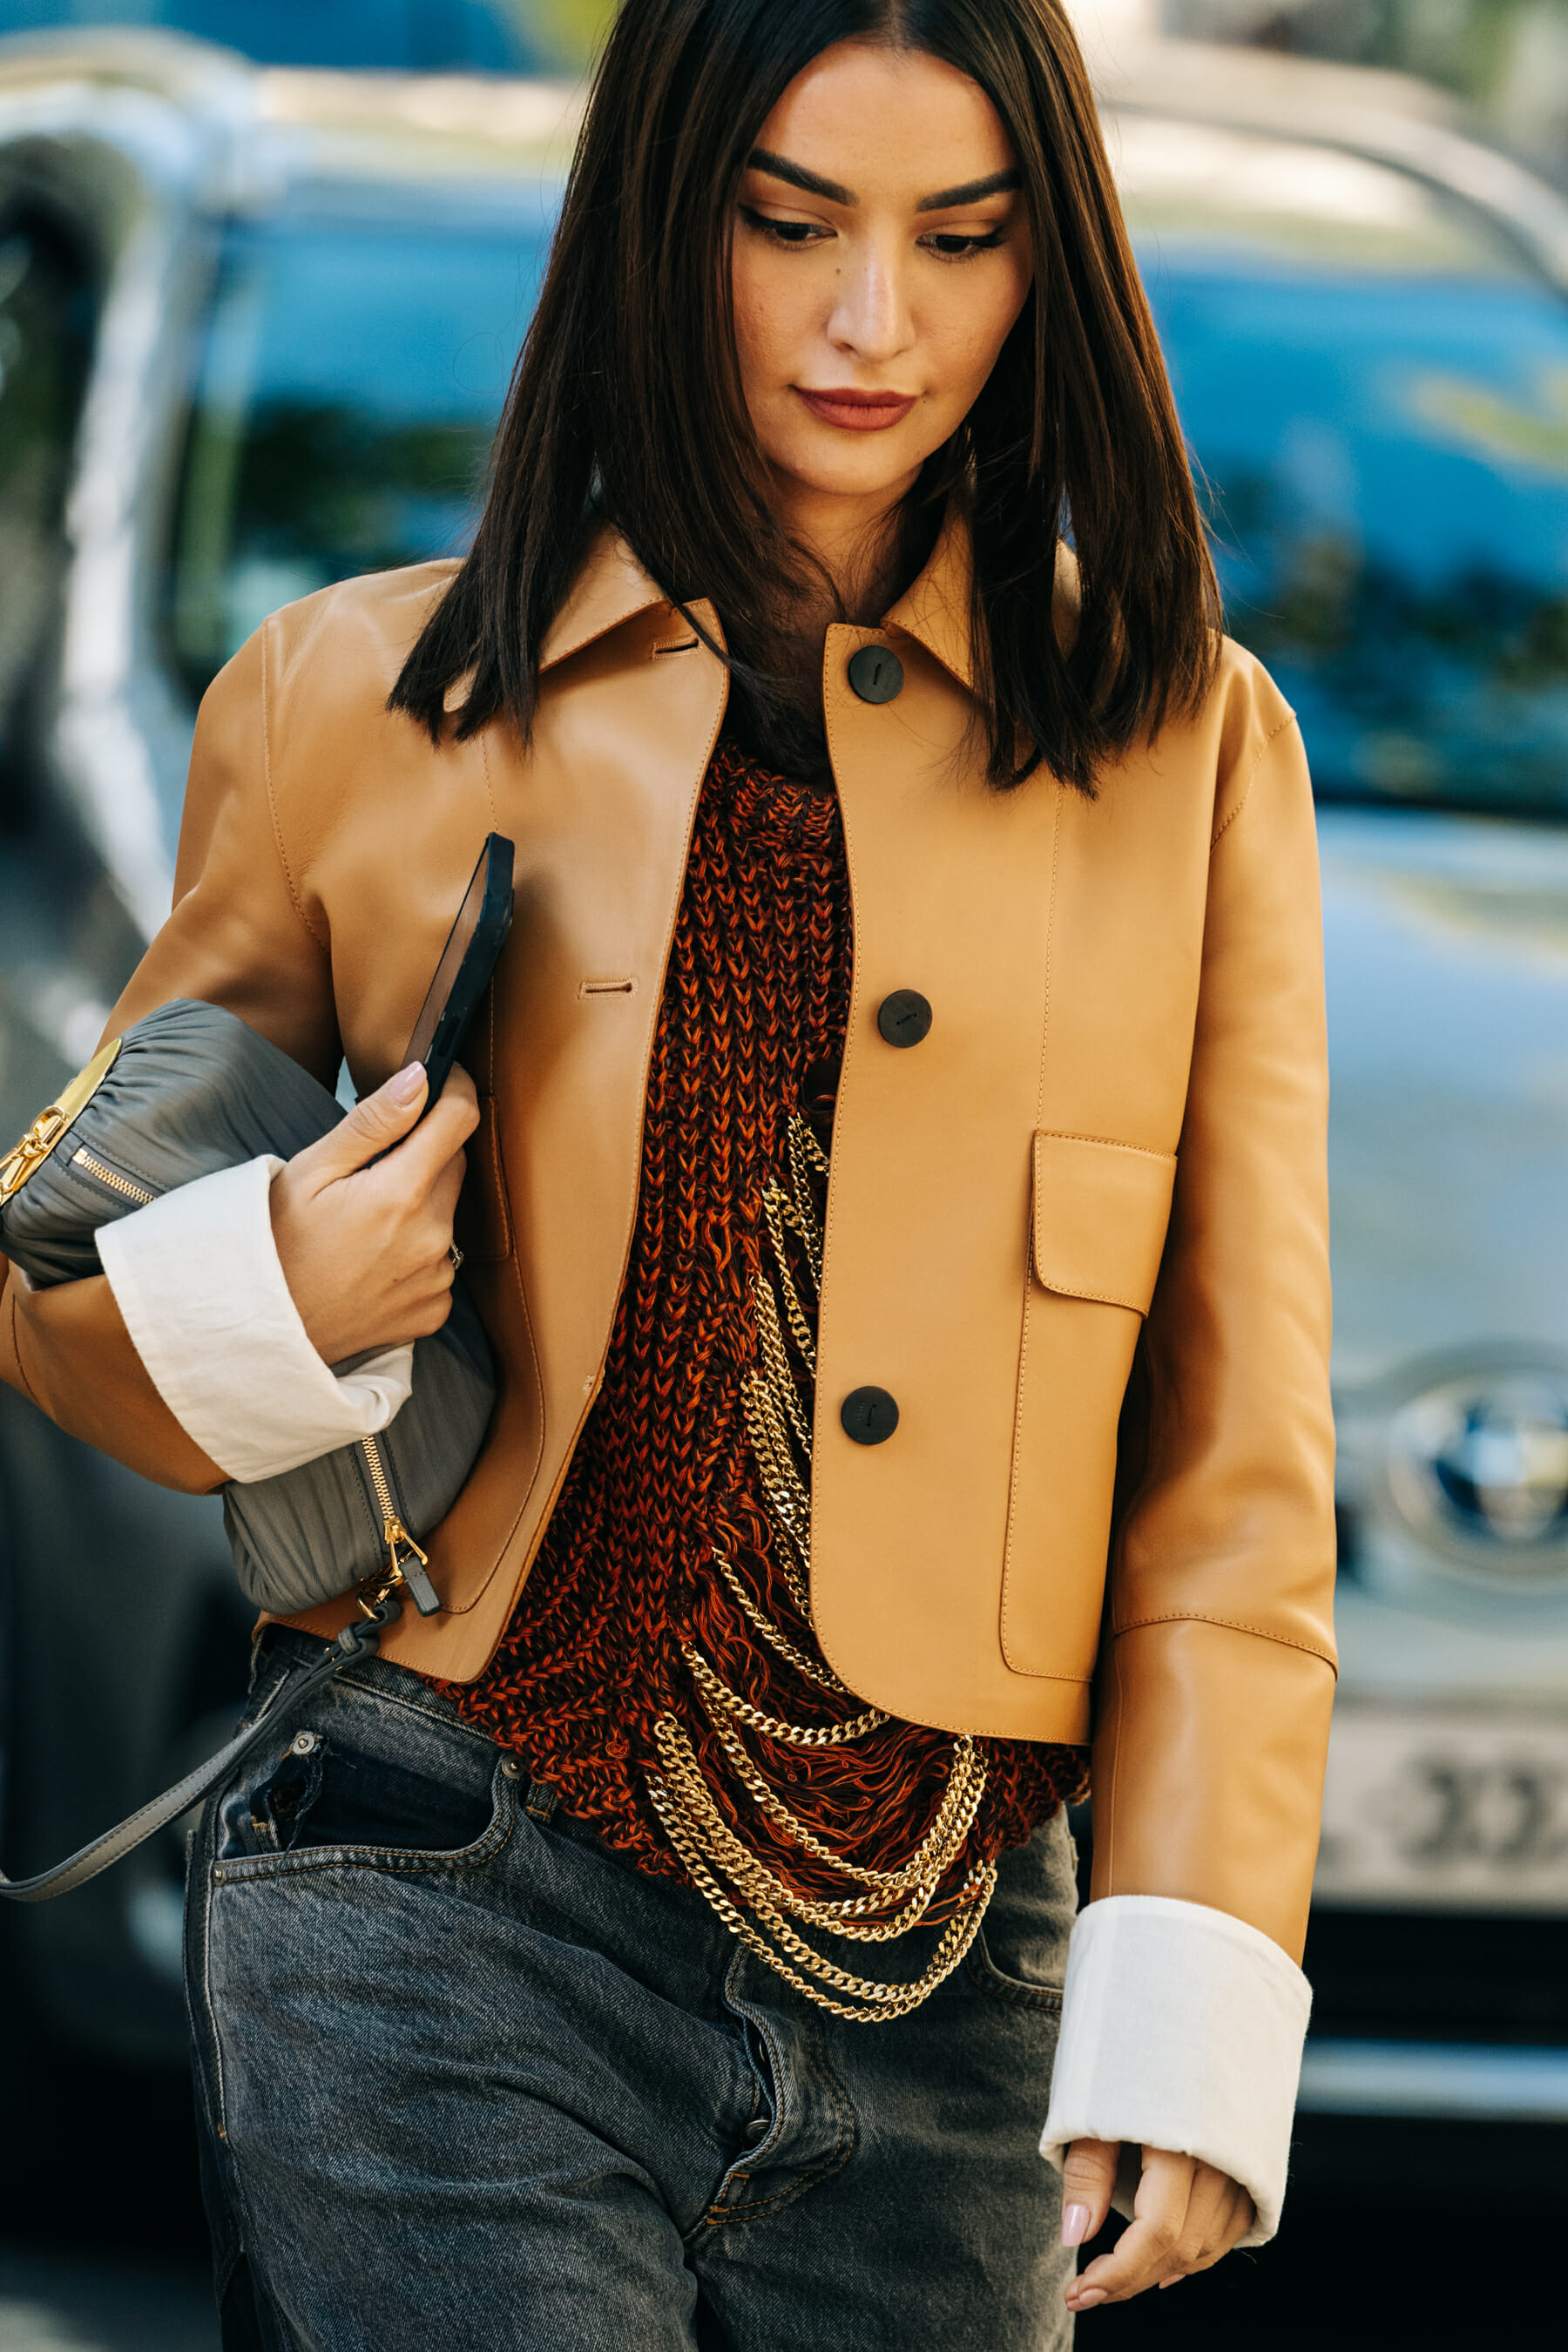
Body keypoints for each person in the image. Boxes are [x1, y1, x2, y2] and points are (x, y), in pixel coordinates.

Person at [0, 2, 1336, 2344]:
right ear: (662, 220)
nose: (871, 321)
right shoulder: (346, 703)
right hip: (441, 1884)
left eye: (963, 239)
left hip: (953, 1963)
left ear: (1054, 273)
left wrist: (1199, 2002)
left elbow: (1236, 1466)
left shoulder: (1192, 745)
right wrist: (272, 1286)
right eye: (792, 222)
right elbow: (50, 1290)